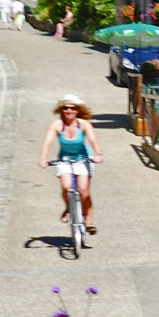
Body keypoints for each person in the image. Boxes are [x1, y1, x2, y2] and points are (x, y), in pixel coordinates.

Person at [39, 95, 103, 232]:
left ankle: (89, 220)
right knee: (66, 186)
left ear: (78, 110)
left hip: (82, 158)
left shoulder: (84, 124)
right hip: (65, 158)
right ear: (62, 110)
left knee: (84, 190)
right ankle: (69, 207)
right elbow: (48, 141)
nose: (69, 111)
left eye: (73, 108)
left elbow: (93, 140)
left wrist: (98, 154)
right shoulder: (57, 125)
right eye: (66, 108)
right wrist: (43, 158)